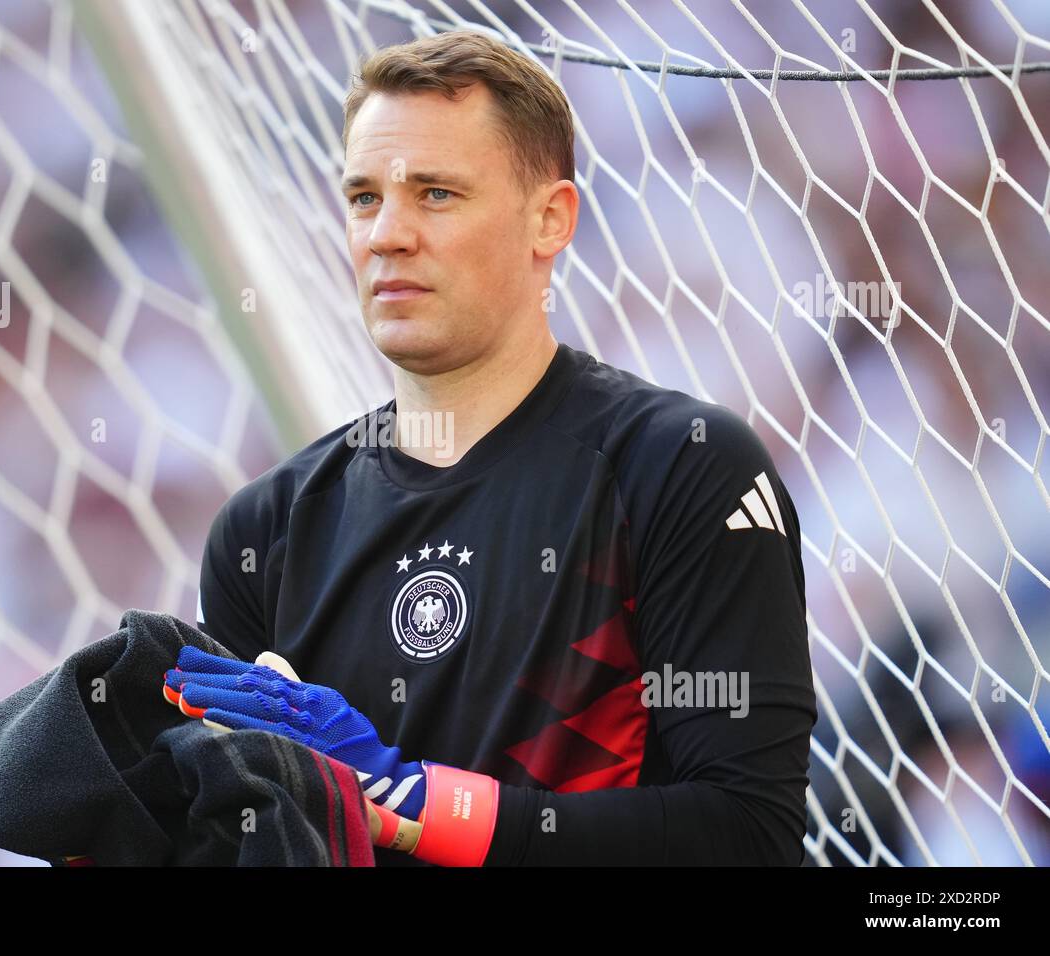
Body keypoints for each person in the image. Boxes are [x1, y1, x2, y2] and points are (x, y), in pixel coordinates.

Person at [171, 30, 817, 866]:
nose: (386, 235)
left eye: (435, 194)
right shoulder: (264, 532)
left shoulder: (682, 466)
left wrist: (409, 799)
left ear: (550, 219)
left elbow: (746, 836)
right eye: (363, 198)